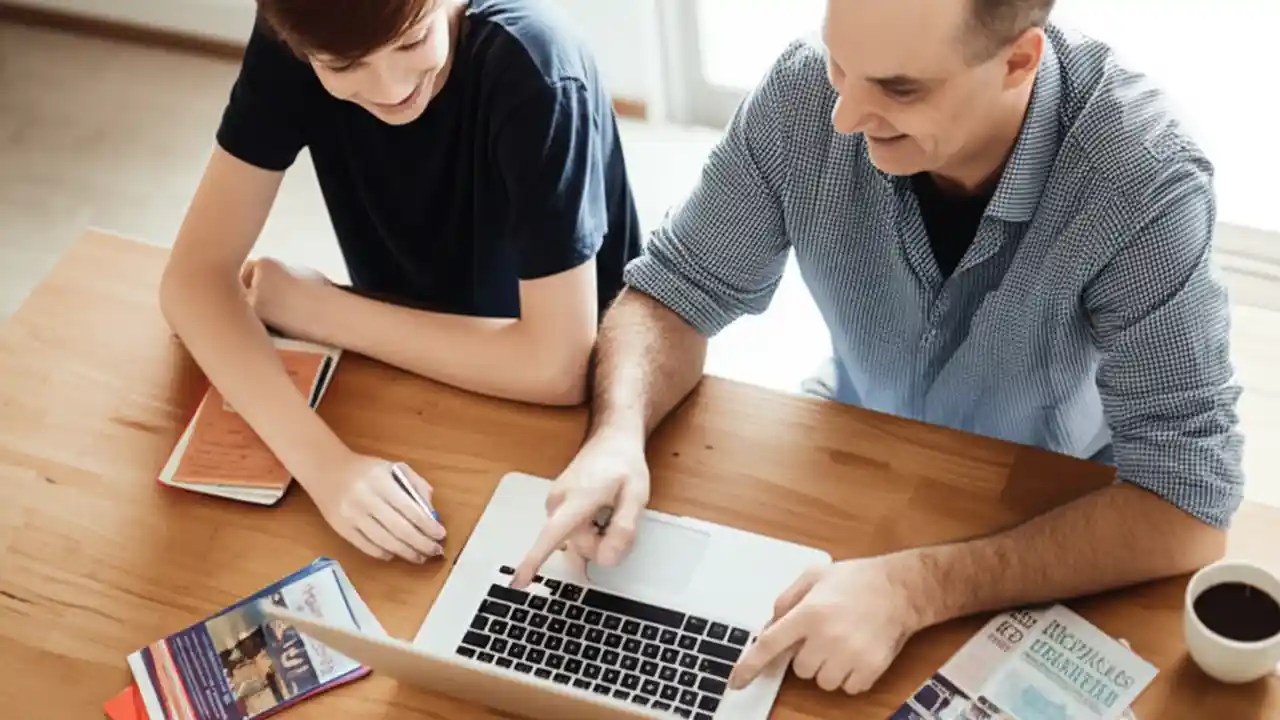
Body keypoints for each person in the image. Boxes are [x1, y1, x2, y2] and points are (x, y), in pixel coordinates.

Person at [514, 0, 1243, 698]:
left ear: (1019, 59)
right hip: (858, 445)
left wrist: (915, 586)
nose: (844, 117)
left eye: (899, 87)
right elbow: (674, 290)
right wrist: (616, 435)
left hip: (1049, 505)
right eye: (839, 64)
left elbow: (1186, 502)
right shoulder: (804, 96)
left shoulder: (1141, 180)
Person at [160, 0, 642, 563]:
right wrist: (326, 466)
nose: (388, 88)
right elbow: (192, 281)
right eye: (344, 67)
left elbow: (559, 365)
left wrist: (321, 309)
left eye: (413, 43)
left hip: (575, 419)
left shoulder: (535, 70)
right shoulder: (305, 29)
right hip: (405, 370)